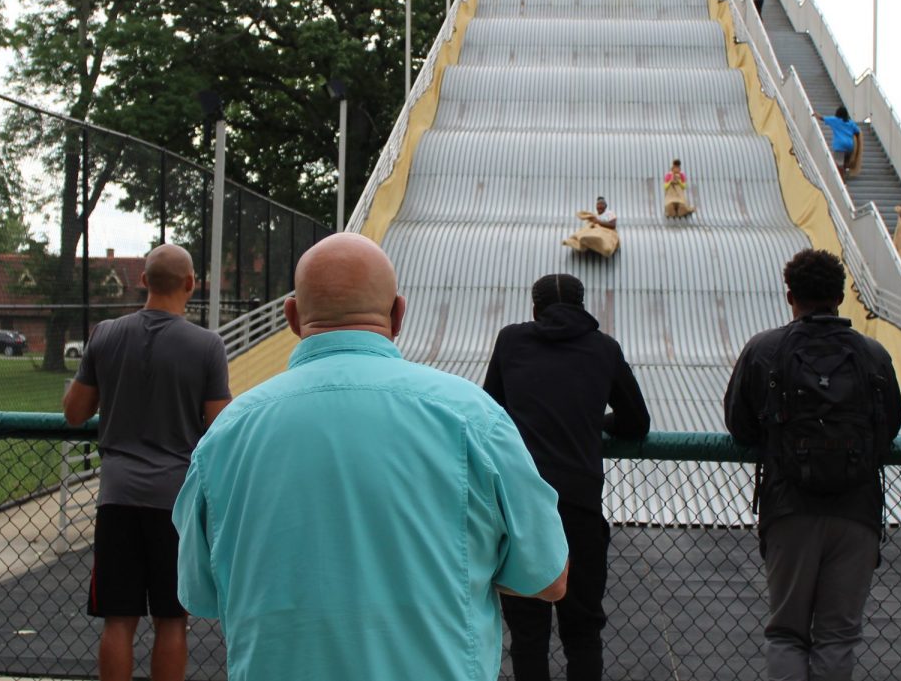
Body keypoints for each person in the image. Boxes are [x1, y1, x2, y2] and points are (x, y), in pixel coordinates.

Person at [173, 233, 569, 681]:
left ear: (292, 316)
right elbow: (548, 577)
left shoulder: (226, 435)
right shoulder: (474, 419)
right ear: (398, 314)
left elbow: (200, 594)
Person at [725, 249, 901, 681]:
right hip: (857, 509)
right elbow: (892, 424)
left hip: (789, 507)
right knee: (838, 635)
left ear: (790, 295)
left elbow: (740, 426)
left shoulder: (765, 349)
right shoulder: (872, 354)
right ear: (841, 296)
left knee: (787, 632)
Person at [63, 244, 231, 681]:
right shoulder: (207, 345)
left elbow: (75, 412)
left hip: (116, 496)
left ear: (143, 281)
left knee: (118, 619)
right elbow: (220, 425)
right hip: (175, 503)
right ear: (192, 285)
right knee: (172, 620)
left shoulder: (105, 334)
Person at [484, 274, 651, 681]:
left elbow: (489, 410)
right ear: (581, 305)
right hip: (579, 508)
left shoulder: (511, 341)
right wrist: (593, 422)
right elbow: (637, 422)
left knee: (527, 634)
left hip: (523, 510)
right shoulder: (604, 349)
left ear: (535, 309)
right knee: (582, 630)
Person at [817, 106, 860, 180]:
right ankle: (844, 173)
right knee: (845, 162)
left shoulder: (835, 120)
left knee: (839, 163)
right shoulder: (850, 123)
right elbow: (857, 131)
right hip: (849, 146)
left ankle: (842, 180)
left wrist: (816, 115)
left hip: (840, 146)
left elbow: (822, 118)